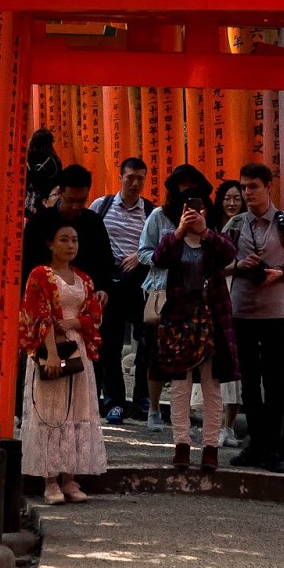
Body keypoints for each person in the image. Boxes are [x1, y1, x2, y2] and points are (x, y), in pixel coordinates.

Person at [227, 162, 284, 470]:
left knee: (274, 382)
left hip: (276, 312)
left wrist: (280, 274)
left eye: (253, 187)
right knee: (248, 383)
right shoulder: (235, 225)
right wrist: (239, 266)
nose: (247, 192)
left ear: (268, 188)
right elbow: (217, 266)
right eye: (244, 187)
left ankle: (272, 449)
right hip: (242, 311)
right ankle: (256, 446)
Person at [19, 222, 107, 504]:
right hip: (51, 349)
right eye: (64, 240)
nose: (70, 245)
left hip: (77, 347)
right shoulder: (39, 276)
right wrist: (52, 352)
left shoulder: (84, 279)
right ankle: (50, 480)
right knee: (51, 410)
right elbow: (37, 313)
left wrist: (75, 322)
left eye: (74, 240)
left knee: (76, 408)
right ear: (50, 244)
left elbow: (93, 314)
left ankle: (70, 478)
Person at [152, 190, 238, 472]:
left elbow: (229, 254)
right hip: (178, 322)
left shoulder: (214, 240)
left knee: (212, 387)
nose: (194, 214)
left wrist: (206, 233)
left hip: (211, 321)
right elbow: (158, 258)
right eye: (189, 210)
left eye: (199, 210)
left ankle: (210, 446)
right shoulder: (173, 241)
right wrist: (179, 231)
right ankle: (181, 444)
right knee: (180, 387)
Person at [136, 164, 214, 433]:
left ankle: (181, 414)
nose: (188, 190)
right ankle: (155, 409)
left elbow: (219, 251)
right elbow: (144, 253)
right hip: (164, 292)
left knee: (193, 355)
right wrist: (172, 249)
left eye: (193, 184)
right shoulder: (159, 216)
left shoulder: (207, 216)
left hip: (197, 295)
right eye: (183, 184)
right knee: (157, 355)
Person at [90, 158, 156, 424]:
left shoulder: (151, 212)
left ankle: (142, 398)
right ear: (120, 177)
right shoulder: (101, 206)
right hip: (109, 282)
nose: (135, 183)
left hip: (139, 283)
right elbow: (89, 238)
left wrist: (140, 257)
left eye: (140, 178)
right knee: (110, 344)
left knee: (147, 342)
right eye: (130, 177)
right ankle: (114, 402)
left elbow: (159, 248)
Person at [19, 164, 115, 294]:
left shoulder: (93, 222)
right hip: (46, 294)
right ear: (60, 193)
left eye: (81, 201)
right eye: (70, 200)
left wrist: (102, 288)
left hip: (86, 295)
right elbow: (27, 262)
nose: (75, 206)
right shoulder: (39, 222)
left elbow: (105, 261)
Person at [210, 180, 247, 448]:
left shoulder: (247, 226)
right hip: (215, 299)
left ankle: (229, 426)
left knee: (235, 363)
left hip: (242, 296)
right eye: (227, 198)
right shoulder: (211, 229)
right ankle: (213, 425)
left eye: (237, 198)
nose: (232, 203)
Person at [23, 128, 62, 217]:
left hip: (29, 203)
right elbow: (59, 182)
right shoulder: (54, 161)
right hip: (50, 202)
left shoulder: (26, 159)